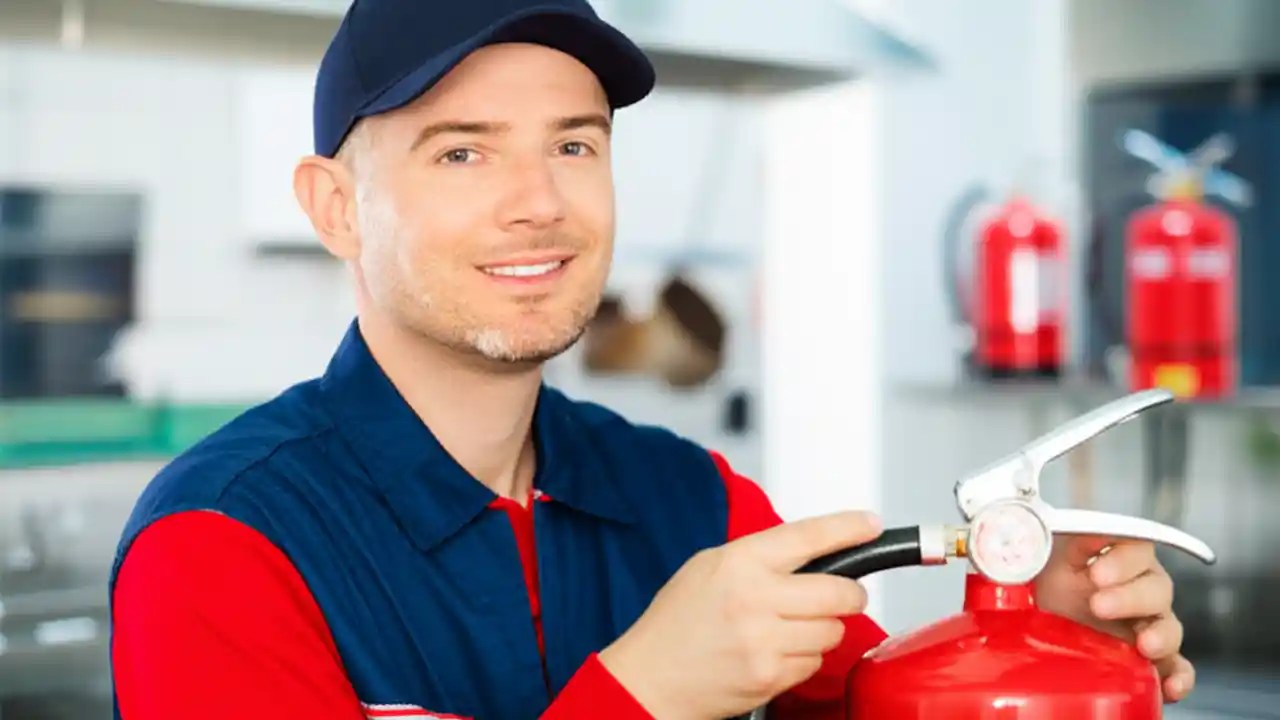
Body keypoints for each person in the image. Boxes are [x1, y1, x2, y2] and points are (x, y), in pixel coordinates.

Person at [108, 1, 1197, 718]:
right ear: (336, 207)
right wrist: (639, 693)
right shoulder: (219, 544)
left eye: (573, 144)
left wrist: (1033, 645)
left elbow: (879, 703)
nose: (539, 203)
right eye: (462, 150)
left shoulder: (691, 499)